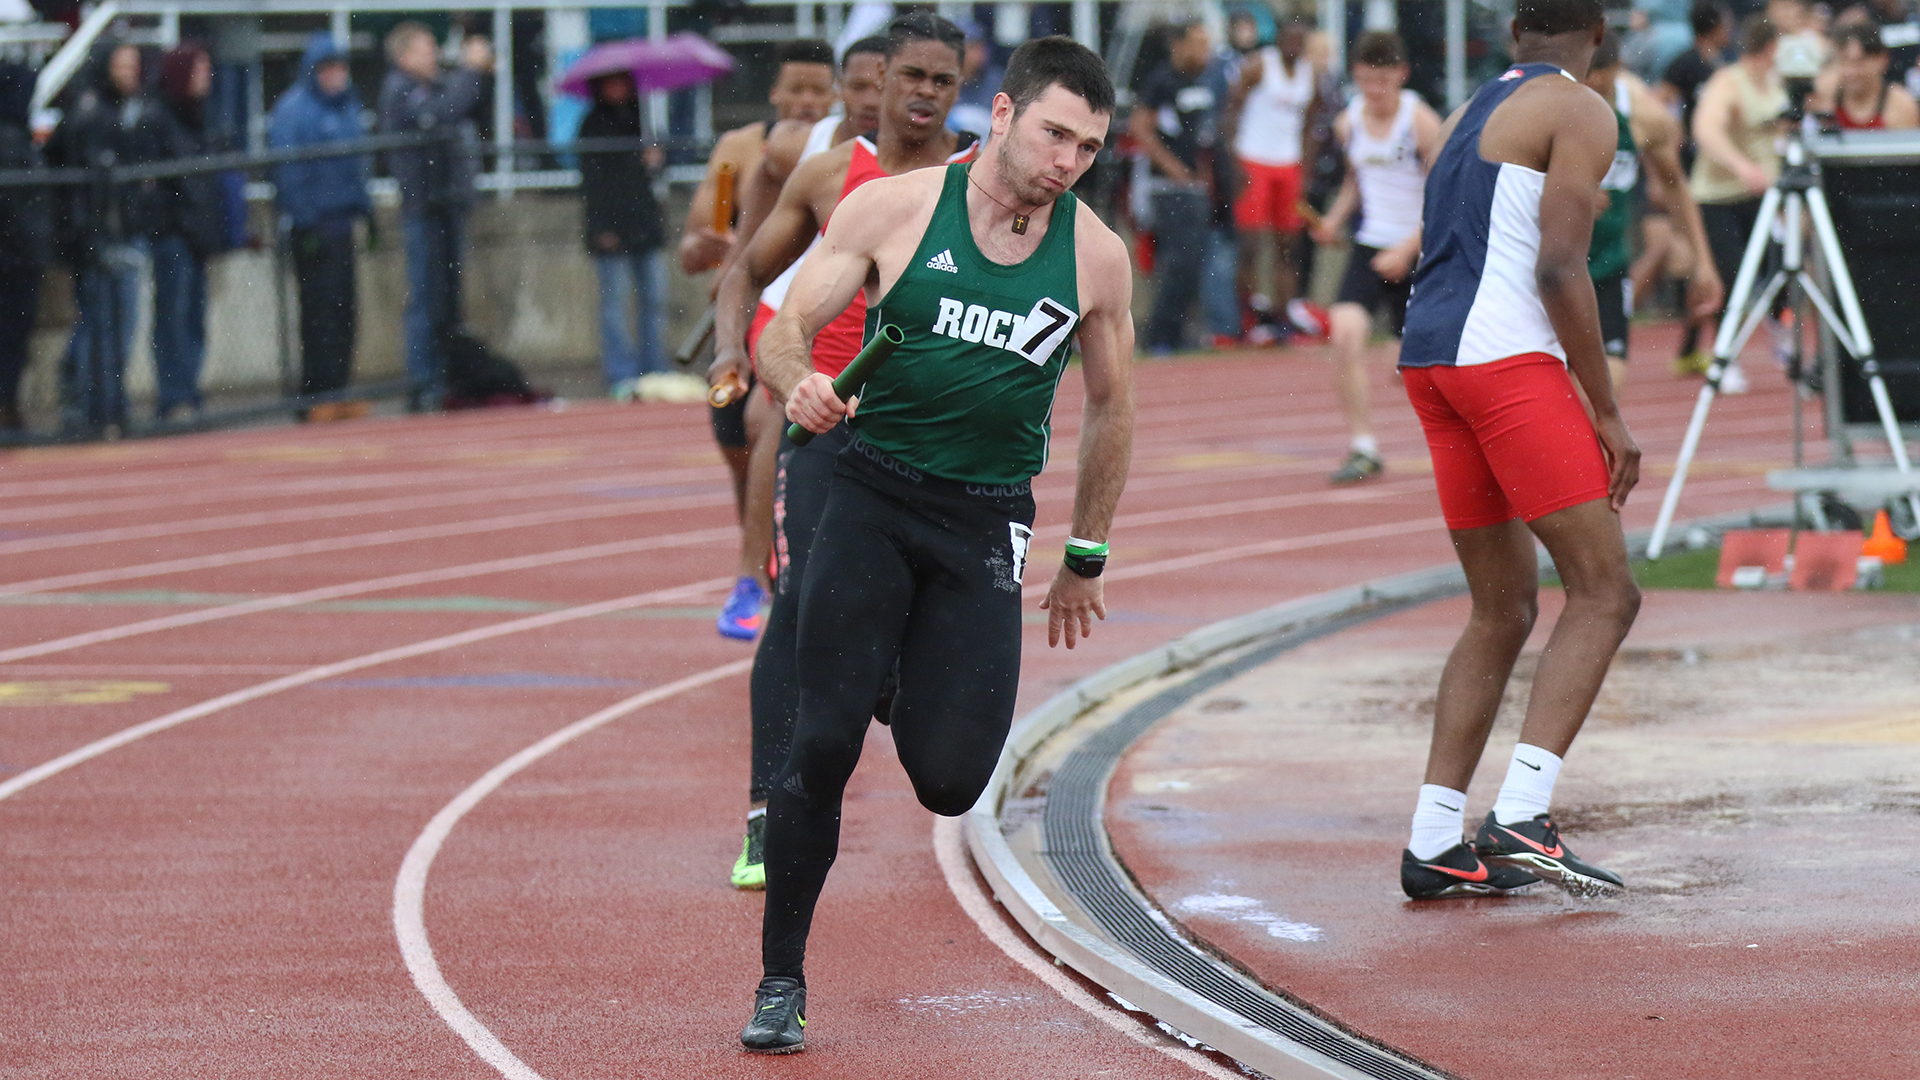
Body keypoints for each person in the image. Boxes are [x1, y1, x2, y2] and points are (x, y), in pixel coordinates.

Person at [739, 35, 1132, 1053]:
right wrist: (799, 384)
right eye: (1054, 133)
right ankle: (781, 978)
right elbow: (782, 327)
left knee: (953, 779)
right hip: (873, 496)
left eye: (1087, 147)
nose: (1067, 161)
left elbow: (1114, 407)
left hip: (985, 517)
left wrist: (1085, 552)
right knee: (818, 745)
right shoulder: (897, 208)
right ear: (1001, 117)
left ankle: (892, 666)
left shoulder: (1094, 254)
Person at [711, 14, 977, 892]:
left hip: (933, 431)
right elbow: (746, 270)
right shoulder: (833, 174)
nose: (922, 94)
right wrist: (733, 353)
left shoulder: (984, 181)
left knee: (904, 614)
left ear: (962, 84)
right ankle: (762, 816)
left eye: (942, 79)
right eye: (908, 76)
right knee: (798, 608)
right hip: (828, 416)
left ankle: (885, 683)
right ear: (879, 80)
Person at [1395, 0, 1643, 902]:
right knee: (1605, 590)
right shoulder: (1580, 109)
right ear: (1599, 34)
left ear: (1512, 34)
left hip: (1430, 362)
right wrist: (1605, 410)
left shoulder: (1469, 108)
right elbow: (1557, 265)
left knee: (1500, 610)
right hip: (1502, 362)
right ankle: (1522, 817)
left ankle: (1434, 840)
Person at [707, 36, 887, 652]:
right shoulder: (780, 148)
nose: (868, 98)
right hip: (789, 304)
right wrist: (726, 272)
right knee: (769, 418)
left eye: (879, 84)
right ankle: (751, 576)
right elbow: (738, 234)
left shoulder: (944, 160)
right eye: (856, 85)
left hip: (867, 314)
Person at [678, 38, 837, 642]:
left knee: (762, 427)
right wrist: (713, 248)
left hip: (806, 315)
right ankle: (764, 539)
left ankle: (764, 566)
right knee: (736, 440)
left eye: (817, 91)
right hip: (746, 313)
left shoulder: (842, 152)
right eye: (794, 89)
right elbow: (709, 231)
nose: (804, 101)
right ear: (775, 92)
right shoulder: (741, 151)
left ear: (835, 95)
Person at [1308, 31, 1440, 485]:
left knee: (1413, 370)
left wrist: (1408, 248)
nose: (1374, 92)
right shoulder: (1349, 123)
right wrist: (1333, 220)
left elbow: (1445, 196)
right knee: (1344, 334)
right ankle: (1363, 445)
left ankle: (1459, 444)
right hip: (1369, 245)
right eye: (1365, 81)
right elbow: (1355, 180)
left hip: (1421, 248)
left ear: (1401, 74)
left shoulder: (1420, 121)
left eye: (1382, 82)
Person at [1585, 32, 1725, 389]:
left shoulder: (1646, 118)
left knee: (1606, 389)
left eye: (1601, 85)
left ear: (1617, 70)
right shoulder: (1553, 108)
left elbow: (1677, 187)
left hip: (1607, 264)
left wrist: (1703, 261)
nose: (1593, 91)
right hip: (1554, 263)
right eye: (1586, 82)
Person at [47, 40, 168, 435]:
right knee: (98, 326)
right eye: (122, 65)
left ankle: (111, 409)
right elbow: (81, 184)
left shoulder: (130, 110)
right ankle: (90, 409)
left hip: (123, 233)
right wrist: (88, 237)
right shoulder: (91, 113)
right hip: (98, 240)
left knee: (120, 327)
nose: (130, 73)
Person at [378, 21, 493, 411]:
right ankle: (424, 383)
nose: (435, 56)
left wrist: (476, 76)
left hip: (447, 208)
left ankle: (446, 377)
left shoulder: (436, 84)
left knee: (448, 302)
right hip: (423, 211)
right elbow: (440, 115)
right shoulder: (400, 89)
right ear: (405, 55)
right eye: (427, 49)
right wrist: (470, 71)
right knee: (426, 300)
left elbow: (468, 106)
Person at [270, 33, 373, 415]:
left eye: (340, 67)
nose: (336, 75)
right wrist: (304, 219)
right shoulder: (294, 110)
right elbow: (289, 169)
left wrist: (366, 209)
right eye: (328, 68)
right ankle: (315, 395)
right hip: (315, 228)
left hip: (343, 224)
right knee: (318, 313)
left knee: (345, 311)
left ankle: (338, 389)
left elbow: (357, 166)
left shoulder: (348, 108)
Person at [1689, 14, 1786, 395]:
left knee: (1782, 269)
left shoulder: (1778, 83)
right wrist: (1742, 166)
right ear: (1768, 48)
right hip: (1719, 198)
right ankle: (1723, 355)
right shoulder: (1728, 83)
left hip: (1766, 196)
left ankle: (1786, 344)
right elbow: (1705, 129)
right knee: (1731, 279)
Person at [1133, 19, 1223, 354]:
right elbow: (1141, 127)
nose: (1205, 51)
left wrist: (1202, 174)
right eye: (1198, 43)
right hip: (1166, 188)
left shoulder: (1202, 80)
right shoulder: (1162, 80)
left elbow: (1200, 134)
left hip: (1194, 186)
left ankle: (1180, 331)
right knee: (1178, 261)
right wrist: (1173, 167)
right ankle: (1159, 335)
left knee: (1195, 261)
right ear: (1179, 45)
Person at [1229, 18, 1321, 340]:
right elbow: (1232, 110)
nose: (1294, 47)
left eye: (1300, 41)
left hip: (1288, 165)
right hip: (1254, 160)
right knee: (1250, 243)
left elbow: (1311, 126)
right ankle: (1247, 315)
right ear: (1279, 40)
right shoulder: (1258, 67)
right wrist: (1234, 160)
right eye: (1289, 40)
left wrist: (1305, 170)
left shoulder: (1312, 75)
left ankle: (1283, 314)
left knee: (1288, 245)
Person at [577, 72, 669, 394]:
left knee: (654, 300)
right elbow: (594, 183)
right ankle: (621, 371)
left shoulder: (642, 121)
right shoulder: (592, 125)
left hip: (644, 225)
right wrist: (601, 228)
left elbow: (652, 174)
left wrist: (656, 159)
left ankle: (655, 366)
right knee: (614, 304)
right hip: (612, 227)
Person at [149, 41, 226, 421]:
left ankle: (189, 390)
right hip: (174, 232)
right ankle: (174, 394)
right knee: (173, 317)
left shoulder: (201, 117)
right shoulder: (161, 117)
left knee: (193, 317)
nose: (206, 77)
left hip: (196, 231)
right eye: (199, 69)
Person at [0, 61, 52, 432]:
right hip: (17, 260)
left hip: (20, 258)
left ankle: (8, 405)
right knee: (13, 338)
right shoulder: (15, 142)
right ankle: (7, 406)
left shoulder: (20, 140)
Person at [1812, 22, 1920, 127]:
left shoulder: (1900, 106)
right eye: (1844, 62)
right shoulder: (1824, 91)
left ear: (1882, 60)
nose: (1850, 72)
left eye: (1859, 63)